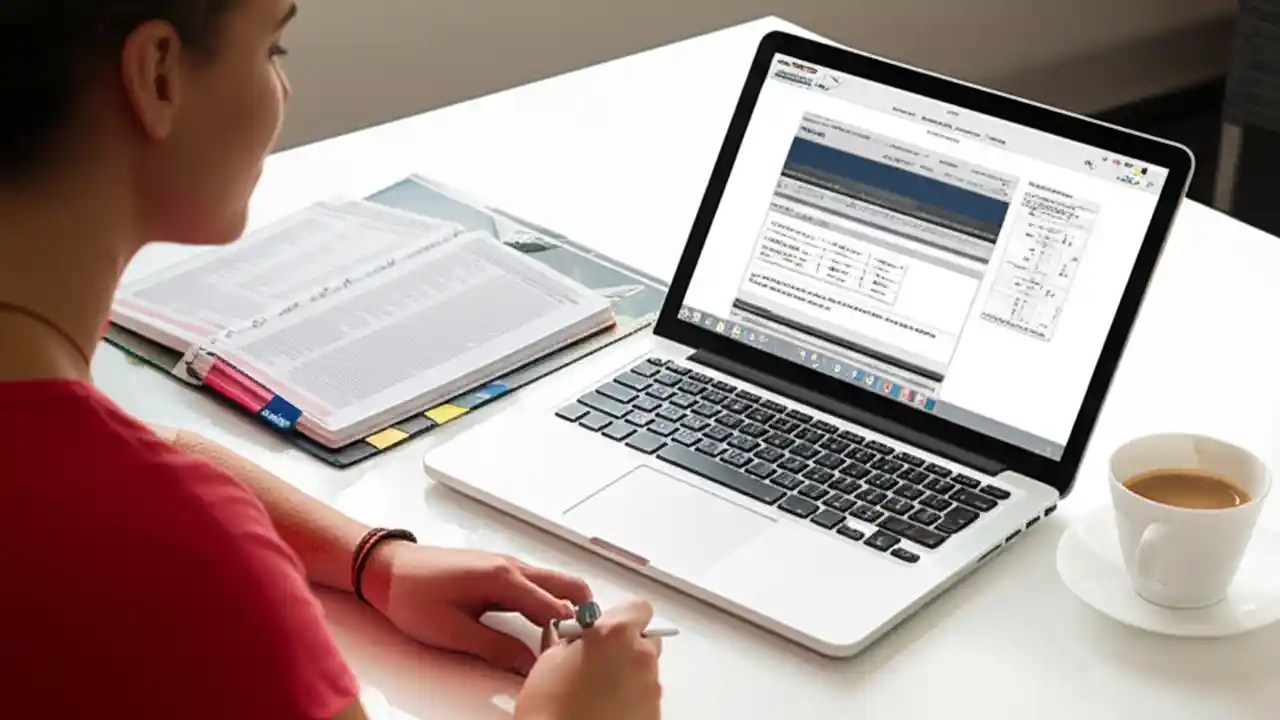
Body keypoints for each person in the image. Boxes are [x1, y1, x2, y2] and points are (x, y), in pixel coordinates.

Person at [0, 1, 662, 718]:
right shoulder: (186, 563)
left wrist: (374, 559)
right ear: (157, 74)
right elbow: (137, 503)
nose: (284, 89)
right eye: (272, 49)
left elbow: (113, 448)